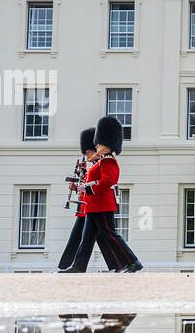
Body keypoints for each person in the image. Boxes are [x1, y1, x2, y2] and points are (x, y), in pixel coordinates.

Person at [62, 116, 142, 273]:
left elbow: (109, 180)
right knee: (87, 239)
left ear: (106, 144)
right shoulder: (100, 162)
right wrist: (80, 188)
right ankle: (78, 266)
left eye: (99, 143)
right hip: (93, 206)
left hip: (102, 205)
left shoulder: (108, 161)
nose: (96, 144)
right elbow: (91, 181)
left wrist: (88, 189)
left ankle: (134, 261)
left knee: (111, 235)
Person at [59, 128, 120, 272]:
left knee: (100, 237)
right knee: (88, 237)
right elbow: (86, 184)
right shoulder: (93, 165)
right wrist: (75, 188)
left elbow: (103, 183)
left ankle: (119, 265)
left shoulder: (104, 163)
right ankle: (72, 266)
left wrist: (84, 188)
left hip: (95, 205)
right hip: (88, 205)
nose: (86, 156)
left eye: (88, 153)